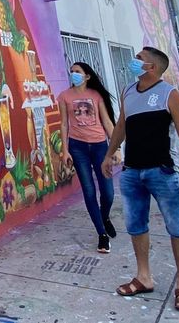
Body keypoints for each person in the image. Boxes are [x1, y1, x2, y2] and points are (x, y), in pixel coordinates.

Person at [103, 46, 179, 313]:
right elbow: (122, 125)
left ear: (152, 67)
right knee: (136, 226)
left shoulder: (169, 94)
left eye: (139, 59)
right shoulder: (128, 92)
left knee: (176, 227)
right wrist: (109, 154)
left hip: (163, 172)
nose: (135, 62)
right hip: (132, 172)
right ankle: (144, 276)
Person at [57, 62, 119, 253]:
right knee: (89, 192)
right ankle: (102, 234)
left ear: (87, 76)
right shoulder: (64, 96)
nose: (73, 75)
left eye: (77, 72)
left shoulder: (96, 95)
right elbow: (64, 124)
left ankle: (104, 216)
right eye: (72, 72)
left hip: (100, 146)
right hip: (78, 148)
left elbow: (107, 122)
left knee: (108, 193)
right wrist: (65, 150)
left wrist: (116, 148)